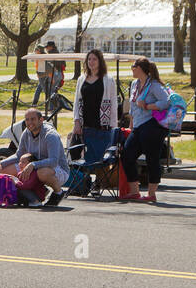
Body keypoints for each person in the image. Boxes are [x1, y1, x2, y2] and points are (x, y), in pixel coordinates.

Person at [120, 57, 172, 202]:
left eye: (133, 66)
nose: (131, 69)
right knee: (127, 155)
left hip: (152, 125)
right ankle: (134, 191)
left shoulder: (154, 85)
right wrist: (131, 123)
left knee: (152, 159)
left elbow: (167, 102)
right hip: (137, 126)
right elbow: (133, 106)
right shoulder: (135, 84)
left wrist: (148, 106)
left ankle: (151, 194)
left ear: (141, 69)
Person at [0, 108, 71, 207]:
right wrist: (1, 163)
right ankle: (39, 192)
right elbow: (19, 155)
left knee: (42, 172)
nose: (29, 122)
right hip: (34, 167)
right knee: (2, 170)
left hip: (58, 169)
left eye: (33, 119)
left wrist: (33, 164)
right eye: (27, 119)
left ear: (41, 120)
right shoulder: (26, 133)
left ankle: (58, 193)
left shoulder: (51, 135)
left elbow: (53, 161)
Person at [70, 48, 117, 172]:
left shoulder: (108, 80)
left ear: (100, 61)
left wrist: (113, 126)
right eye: (89, 59)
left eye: (94, 59)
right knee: (82, 155)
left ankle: (98, 184)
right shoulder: (81, 79)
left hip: (102, 126)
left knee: (100, 158)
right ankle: (85, 182)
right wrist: (76, 121)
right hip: (85, 125)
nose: (91, 62)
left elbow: (113, 104)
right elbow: (76, 101)